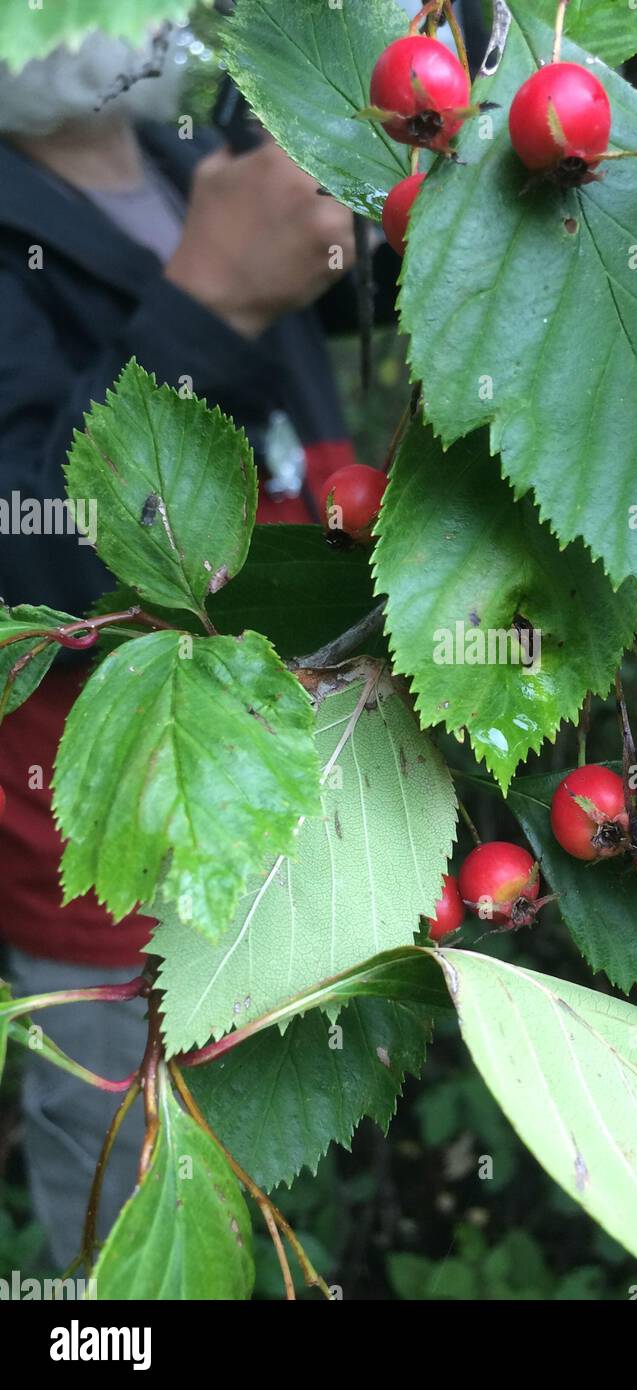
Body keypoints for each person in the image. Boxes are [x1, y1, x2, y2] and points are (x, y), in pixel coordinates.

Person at [0, 23, 392, 1268]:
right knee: (139, 1210)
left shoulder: (190, 154)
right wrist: (207, 302)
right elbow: (34, 563)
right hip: (123, 873)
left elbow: (392, 258)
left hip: (311, 809)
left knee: (274, 1159)